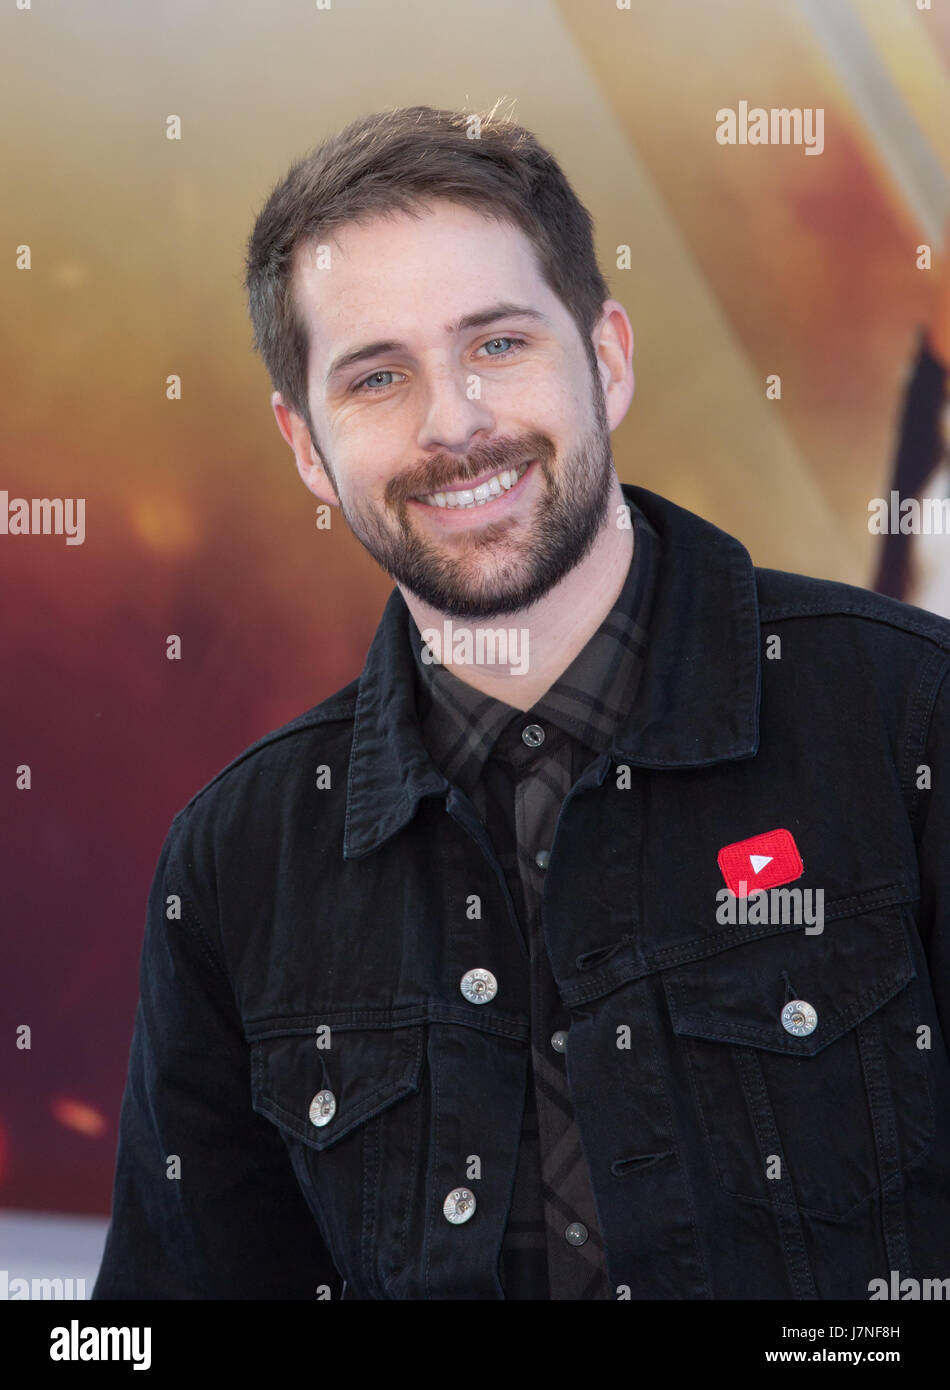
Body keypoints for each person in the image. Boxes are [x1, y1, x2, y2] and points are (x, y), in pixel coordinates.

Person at [92, 103, 950, 1301]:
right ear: (305, 446)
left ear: (604, 356)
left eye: (496, 344)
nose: (454, 423)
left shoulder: (909, 719)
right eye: (378, 376)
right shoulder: (238, 865)